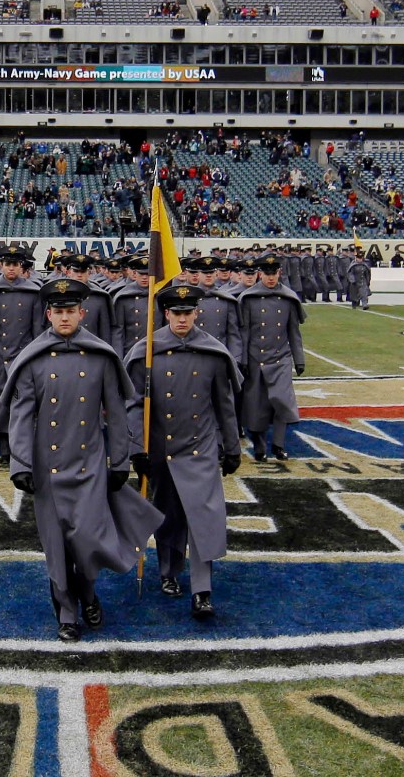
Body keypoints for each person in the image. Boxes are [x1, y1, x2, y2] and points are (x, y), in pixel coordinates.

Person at [5, 278, 162, 643]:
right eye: (58, 311)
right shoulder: (33, 359)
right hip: (47, 468)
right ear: (48, 314)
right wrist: (21, 464)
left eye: (70, 311)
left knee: (88, 540)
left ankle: (88, 593)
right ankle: (67, 612)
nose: (64, 318)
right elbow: (21, 414)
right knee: (57, 546)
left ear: (82, 313)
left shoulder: (101, 357)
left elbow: (117, 414)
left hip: (89, 465)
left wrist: (120, 460)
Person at [126, 285, 241, 619]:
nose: (182, 319)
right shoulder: (147, 352)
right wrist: (137, 448)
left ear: (196, 313)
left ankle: (202, 590)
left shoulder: (213, 352)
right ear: (166, 314)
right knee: (168, 515)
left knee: (204, 517)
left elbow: (224, 404)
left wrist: (232, 447)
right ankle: (168, 572)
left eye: (187, 313)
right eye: (176, 313)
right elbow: (134, 404)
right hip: (161, 447)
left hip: (199, 446)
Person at [0, 247, 46, 466]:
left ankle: (20, 450)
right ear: (2, 266)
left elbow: (38, 330)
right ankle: (4, 450)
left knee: (23, 404)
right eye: (7, 264)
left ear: (21, 267)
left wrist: (37, 357)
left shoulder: (33, 292)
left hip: (23, 357)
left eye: (15, 264)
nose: (11, 268)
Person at [239, 253, 306, 462]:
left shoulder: (288, 298)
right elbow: (244, 332)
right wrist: (243, 360)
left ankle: (278, 444)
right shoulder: (248, 298)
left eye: (273, 273)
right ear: (260, 274)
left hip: (280, 358)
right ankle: (260, 447)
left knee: (281, 401)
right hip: (256, 358)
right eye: (266, 273)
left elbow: (293, 331)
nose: (270, 277)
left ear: (279, 273)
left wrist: (299, 359)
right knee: (257, 405)